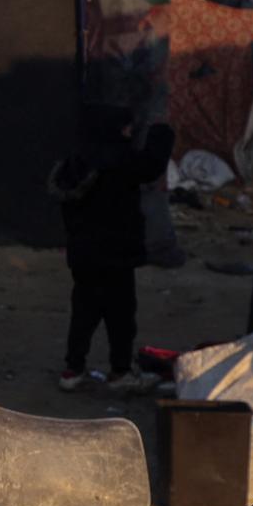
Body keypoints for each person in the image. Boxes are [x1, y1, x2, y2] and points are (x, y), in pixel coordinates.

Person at [49, 104, 174, 392]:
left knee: (84, 311)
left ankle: (73, 369)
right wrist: (161, 131)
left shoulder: (77, 160)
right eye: (128, 127)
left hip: (83, 255)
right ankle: (120, 372)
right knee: (120, 314)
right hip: (116, 255)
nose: (131, 132)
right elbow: (151, 166)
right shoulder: (120, 159)